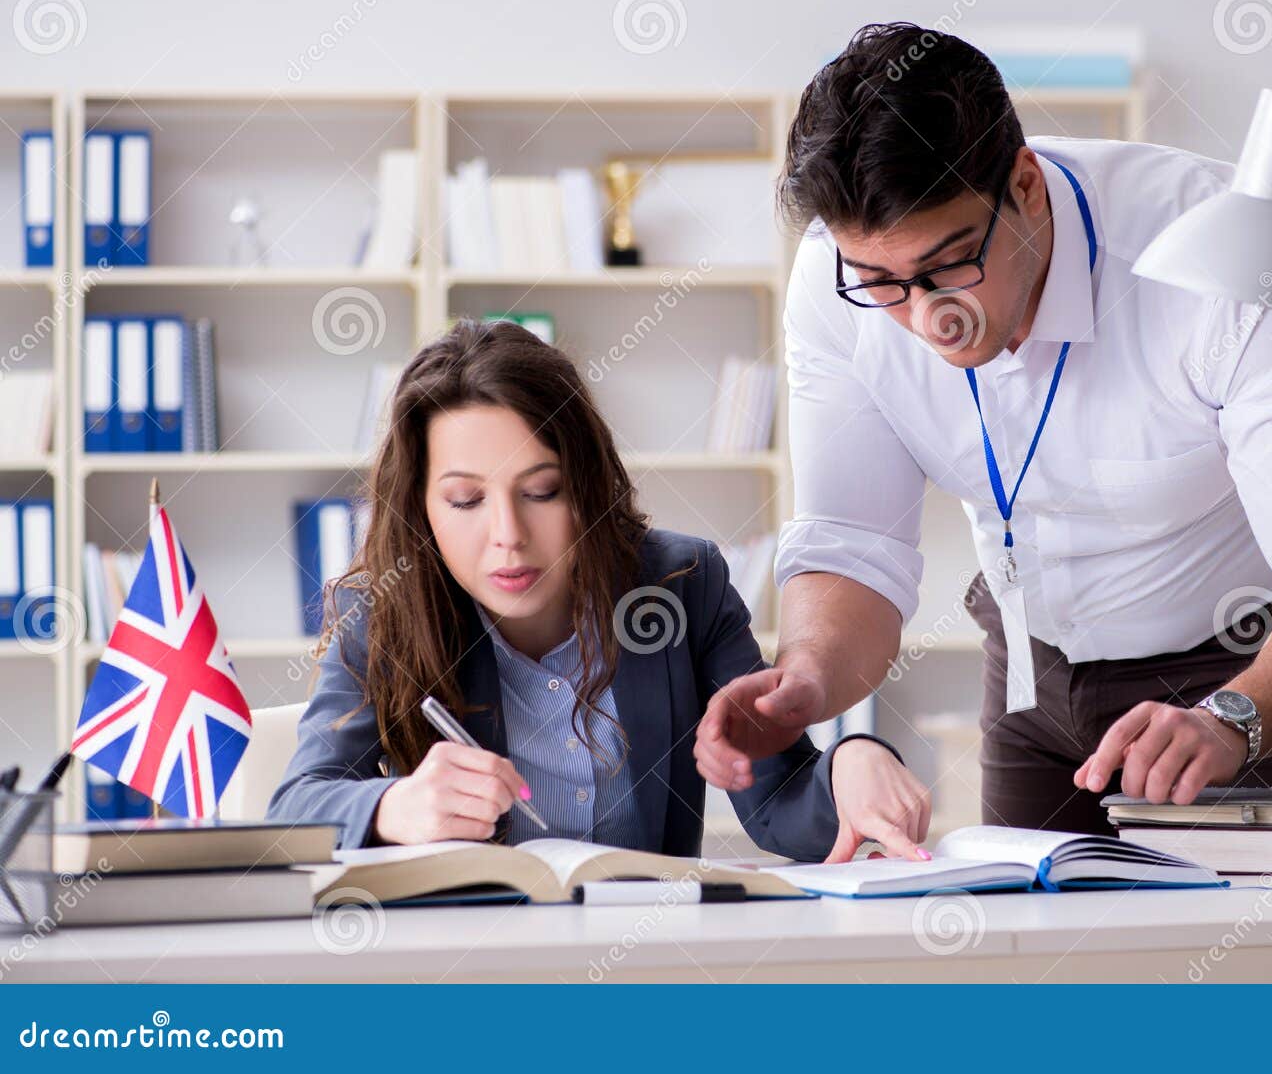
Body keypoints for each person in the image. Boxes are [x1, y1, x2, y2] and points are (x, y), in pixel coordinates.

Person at [695, 23, 1272, 835]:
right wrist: (808, 681)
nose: (931, 317)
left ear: (1028, 185)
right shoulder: (833, 279)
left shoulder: (1235, 258)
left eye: (952, 260)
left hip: (1249, 670)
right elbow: (854, 541)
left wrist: (1237, 718)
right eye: (883, 283)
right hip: (1032, 670)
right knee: (1034, 952)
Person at [270, 319, 931, 862]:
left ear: (587, 486)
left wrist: (851, 764)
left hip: (647, 965)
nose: (508, 535)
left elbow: (780, 800)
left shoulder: (681, 586)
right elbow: (296, 807)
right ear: (422, 508)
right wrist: (392, 806)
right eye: (466, 499)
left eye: (542, 492)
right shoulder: (383, 612)